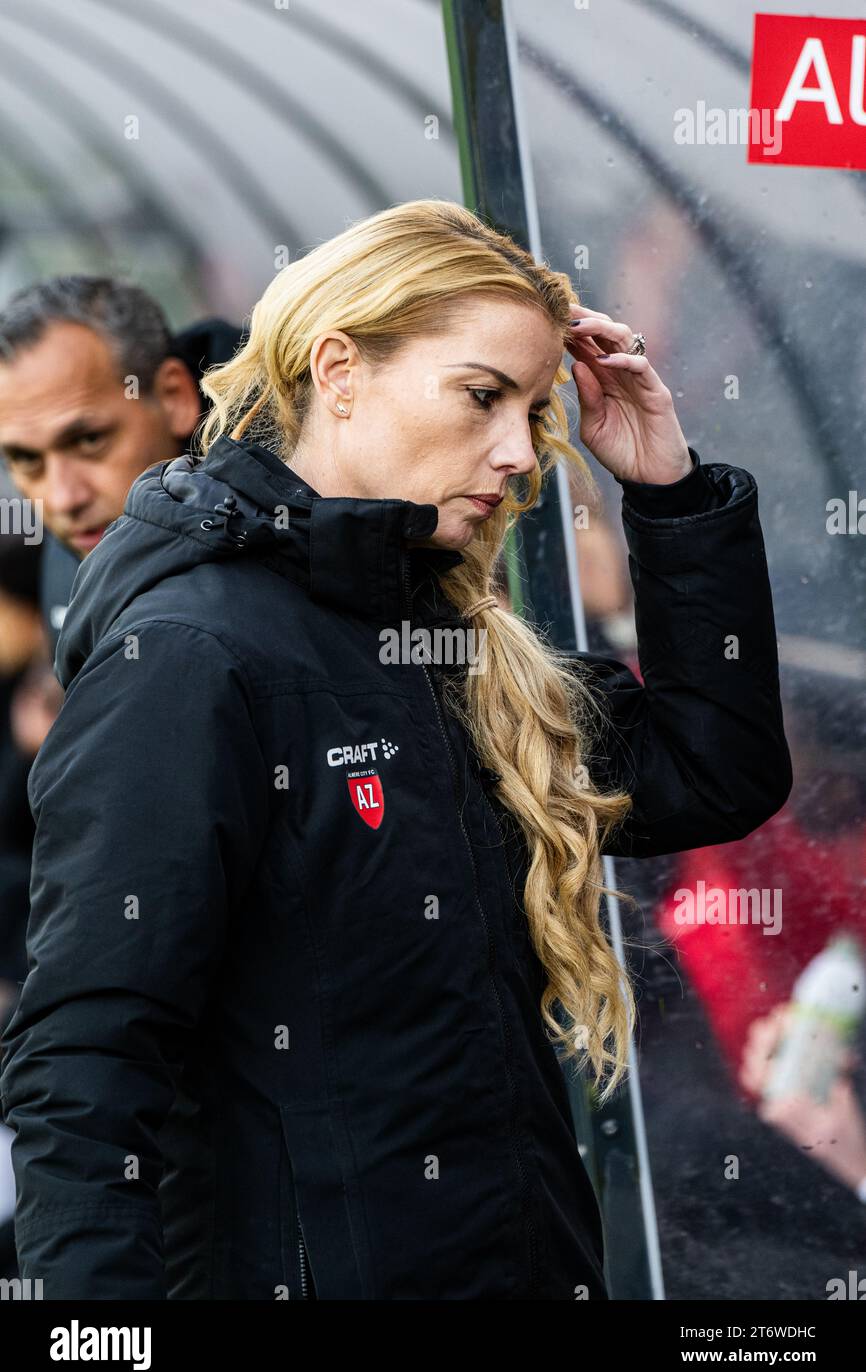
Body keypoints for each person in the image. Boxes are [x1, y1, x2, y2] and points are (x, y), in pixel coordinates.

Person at [0, 198, 792, 1301]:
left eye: (530, 406)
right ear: (339, 369)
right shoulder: (192, 655)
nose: (518, 451)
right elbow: (84, 1069)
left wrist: (668, 494)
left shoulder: (436, 632)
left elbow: (713, 769)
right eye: (480, 396)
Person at [0, 275, 243, 659]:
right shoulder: (79, 548)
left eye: (89, 440)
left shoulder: (311, 500)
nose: (64, 498)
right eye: (27, 460)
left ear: (174, 398)